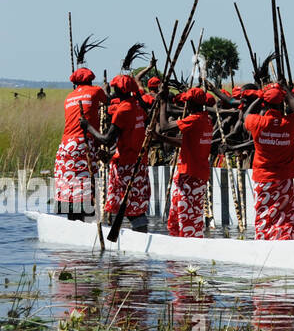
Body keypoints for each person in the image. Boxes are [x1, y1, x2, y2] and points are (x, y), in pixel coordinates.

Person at [81, 73, 150, 232]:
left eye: (114, 88)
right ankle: (136, 235)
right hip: (139, 162)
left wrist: (88, 126)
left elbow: (107, 139)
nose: (113, 91)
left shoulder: (123, 110)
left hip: (126, 164)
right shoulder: (138, 106)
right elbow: (131, 134)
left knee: (129, 206)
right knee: (134, 204)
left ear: (120, 90)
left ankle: (141, 236)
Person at [243, 83, 294, 240]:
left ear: (265, 104)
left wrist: (260, 96)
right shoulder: (289, 123)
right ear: (282, 104)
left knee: (265, 215)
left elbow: (245, 115)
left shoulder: (257, 122)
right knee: (285, 217)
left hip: (264, 179)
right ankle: (285, 241)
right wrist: (287, 91)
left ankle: (264, 241)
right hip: (284, 180)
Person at [157, 88, 214, 237]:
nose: (185, 106)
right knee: (176, 217)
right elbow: (185, 143)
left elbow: (164, 127)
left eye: (187, 103)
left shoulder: (195, 119)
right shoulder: (206, 119)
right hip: (186, 175)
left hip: (191, 176)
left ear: (190, 104)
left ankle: (190, 254)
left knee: (189, 221)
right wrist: (160, 138)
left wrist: (163, 103)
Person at [58, 64, 107, 219]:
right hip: (82, 143)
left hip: (66, 146)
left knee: (71, 185)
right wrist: (105, 88)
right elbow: (109, 102)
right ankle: (86, 220)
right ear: (91, 80)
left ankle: (72, 219)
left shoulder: (69, 97)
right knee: (87, 184)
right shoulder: (96, 91)